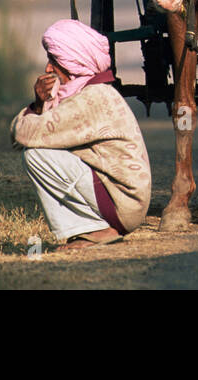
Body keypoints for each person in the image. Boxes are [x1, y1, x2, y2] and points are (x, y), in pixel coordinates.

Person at [11, 19, 152, 251]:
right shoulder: (89, 93)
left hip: (123, 204)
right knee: (39, 149)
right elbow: (29, 133)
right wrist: (40, 105)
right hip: (124, 200)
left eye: (53, 61)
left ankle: (95, 229)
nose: (48, 69)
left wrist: (37, 107)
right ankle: (94, 227)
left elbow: (23, 135)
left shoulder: (92, 99)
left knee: (36, 155)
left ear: (72, 63)